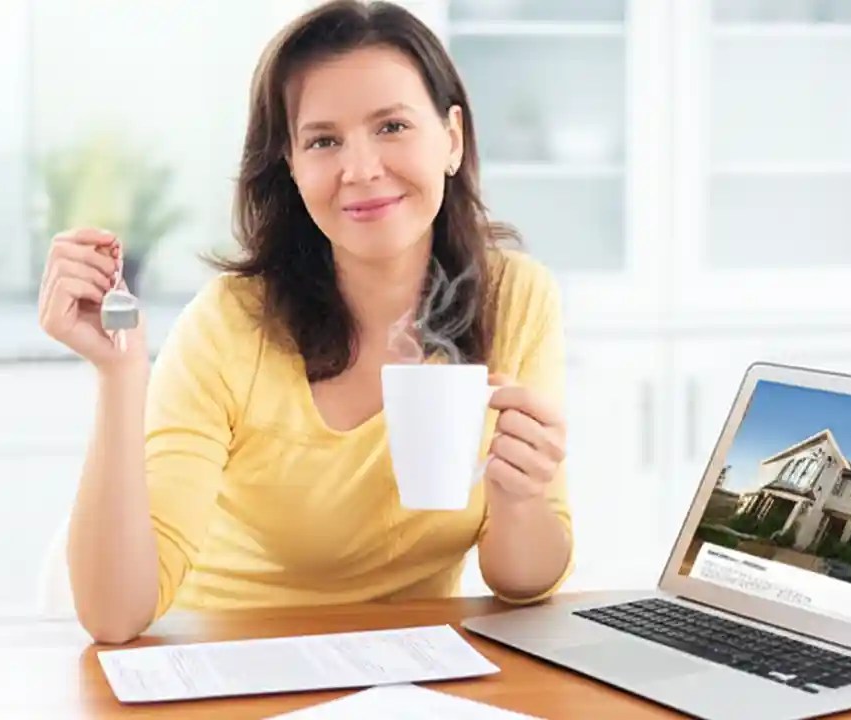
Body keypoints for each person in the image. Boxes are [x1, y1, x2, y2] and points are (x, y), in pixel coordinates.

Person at [38, 0, 573, 645]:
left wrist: (519, 500)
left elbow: (523, 582)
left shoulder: (512, 298)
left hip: (409, 671)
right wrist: (120, 372)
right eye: (323, 140)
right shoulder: (230, 325)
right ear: (290, 165)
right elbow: (113, 617)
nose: (361, 168)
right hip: (230, 663)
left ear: (451, 138)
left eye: (392, 126)